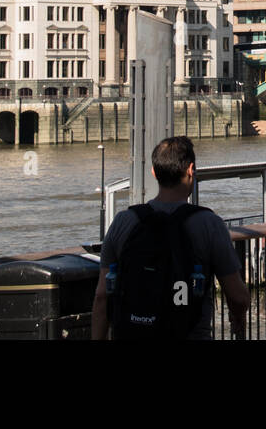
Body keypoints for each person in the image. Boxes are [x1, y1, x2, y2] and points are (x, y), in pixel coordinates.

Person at [92, 135, 249, 340]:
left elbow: (102, 296)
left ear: (154, 172)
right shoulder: (209, 224)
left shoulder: (124, 221)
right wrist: (238, 316)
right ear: (191, 170)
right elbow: (237, 296)